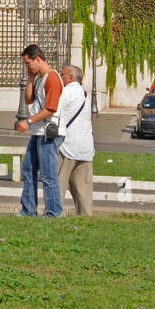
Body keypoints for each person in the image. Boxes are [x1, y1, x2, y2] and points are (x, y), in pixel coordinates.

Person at [14, 44, 63, 217]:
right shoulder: (39, 78)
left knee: (48, 175)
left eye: (28, 63)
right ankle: (28, 210)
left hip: (48, 132)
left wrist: (28, 121)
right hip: (38, 132)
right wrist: (29, 77)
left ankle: (54, 212)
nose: (27, 66)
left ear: (38, 59)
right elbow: (28, 100)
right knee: (28, 170)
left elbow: (50, 108)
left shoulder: (52, 78)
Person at [57, 65, 95, 215]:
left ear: (70, 77)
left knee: (58, 184)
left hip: (67, 146)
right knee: (83, 188)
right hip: (85, 147)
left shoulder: (66, 92)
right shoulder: (86, 95)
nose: (60, 77)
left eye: (63, 75)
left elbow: (54, 111)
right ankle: (85, 216)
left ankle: (54, 213)